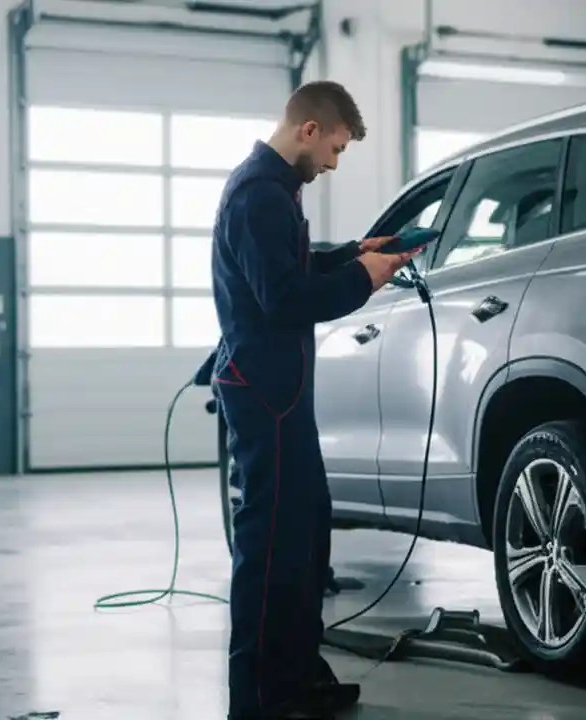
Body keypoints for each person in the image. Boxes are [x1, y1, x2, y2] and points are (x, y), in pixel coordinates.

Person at [209, 80, 423, 719]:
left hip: (280, 390)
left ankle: (299, 676)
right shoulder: (258, 195)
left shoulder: (275, 189)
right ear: (309, 130)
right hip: (264, 392)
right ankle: (257, 698)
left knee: (305, 532)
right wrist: (362, 279)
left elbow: (290, 266)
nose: (333, 164)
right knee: (270, 547)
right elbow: (284, 299)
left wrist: (354, 254)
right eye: (335, 149)